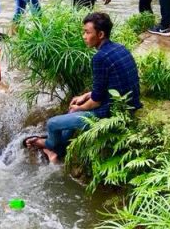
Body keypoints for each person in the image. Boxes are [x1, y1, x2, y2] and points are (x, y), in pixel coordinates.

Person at [24, 12, 141, 163]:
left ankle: (48, 145)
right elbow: (112, 84)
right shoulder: (120, 48)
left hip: (110, 115)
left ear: (100, 34)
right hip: (129, 105)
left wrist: (79, 108)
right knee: (76, 107)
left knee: (52, 123)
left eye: (87, 32)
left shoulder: (99, 58)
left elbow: (97, 102)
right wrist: (86, 96)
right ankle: (59, 150)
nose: (84, 36)